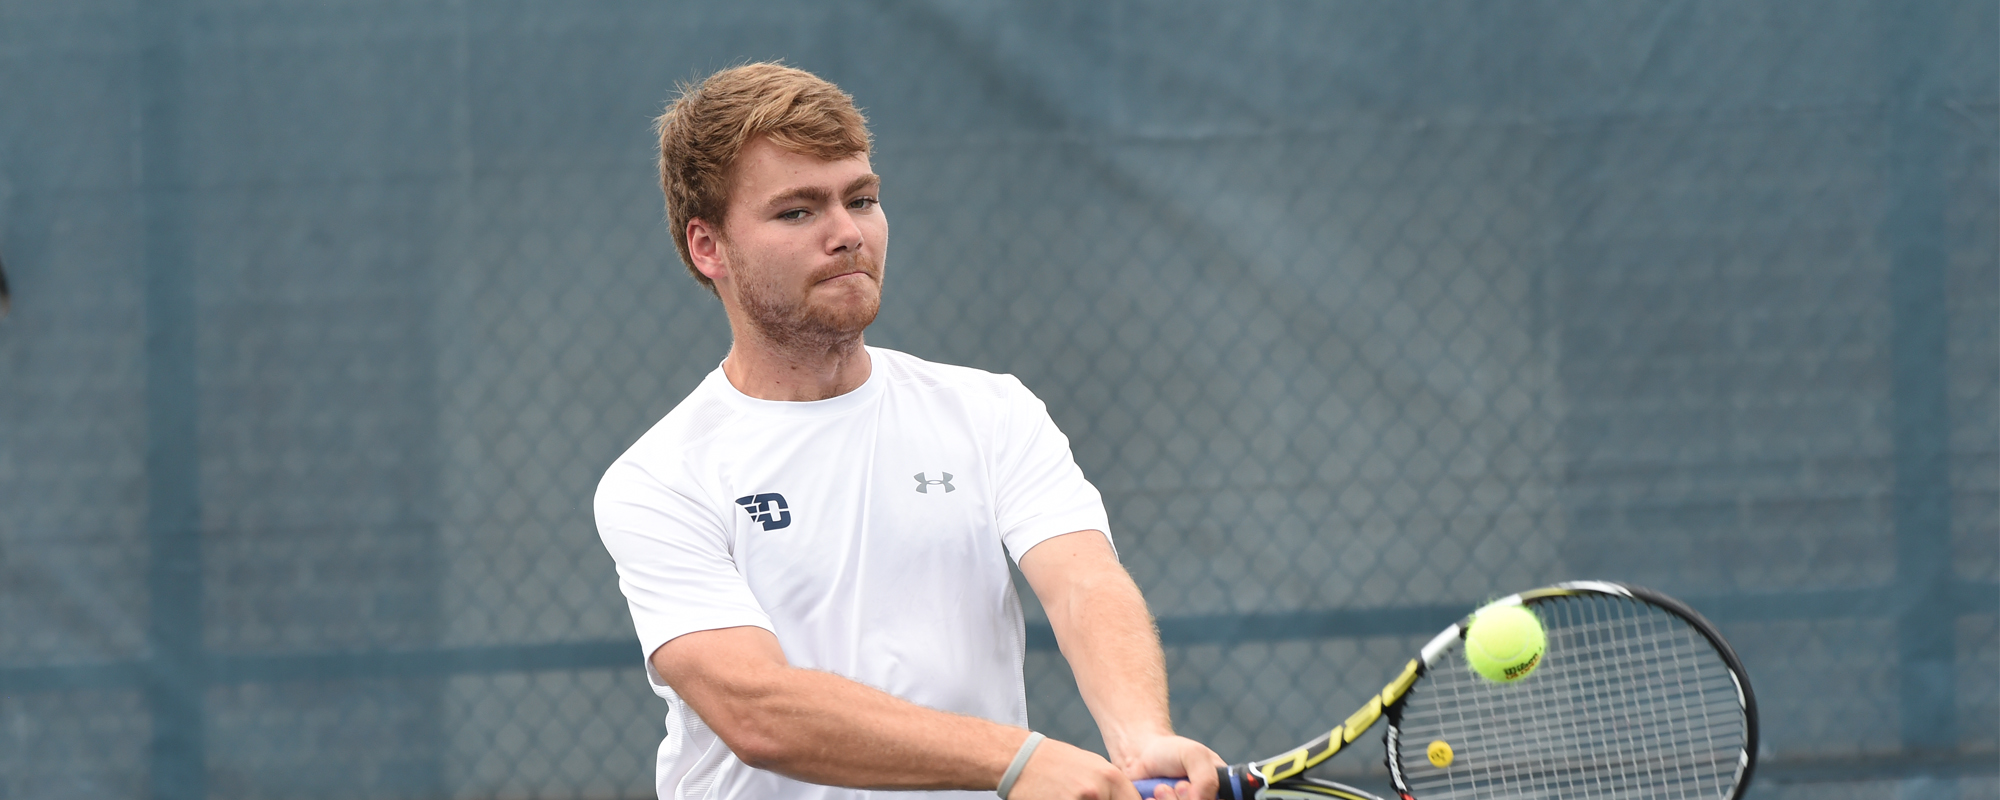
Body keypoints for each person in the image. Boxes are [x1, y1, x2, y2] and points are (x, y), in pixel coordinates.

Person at [594, 62, 1223, 800]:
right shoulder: (661, 479)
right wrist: (1018, 760)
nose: (846, 234)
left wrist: (1141, 737)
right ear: (709, 248)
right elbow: (756, 709)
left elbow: (1083, 583)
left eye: (861, 199)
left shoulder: (993, 412)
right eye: (797, 212)